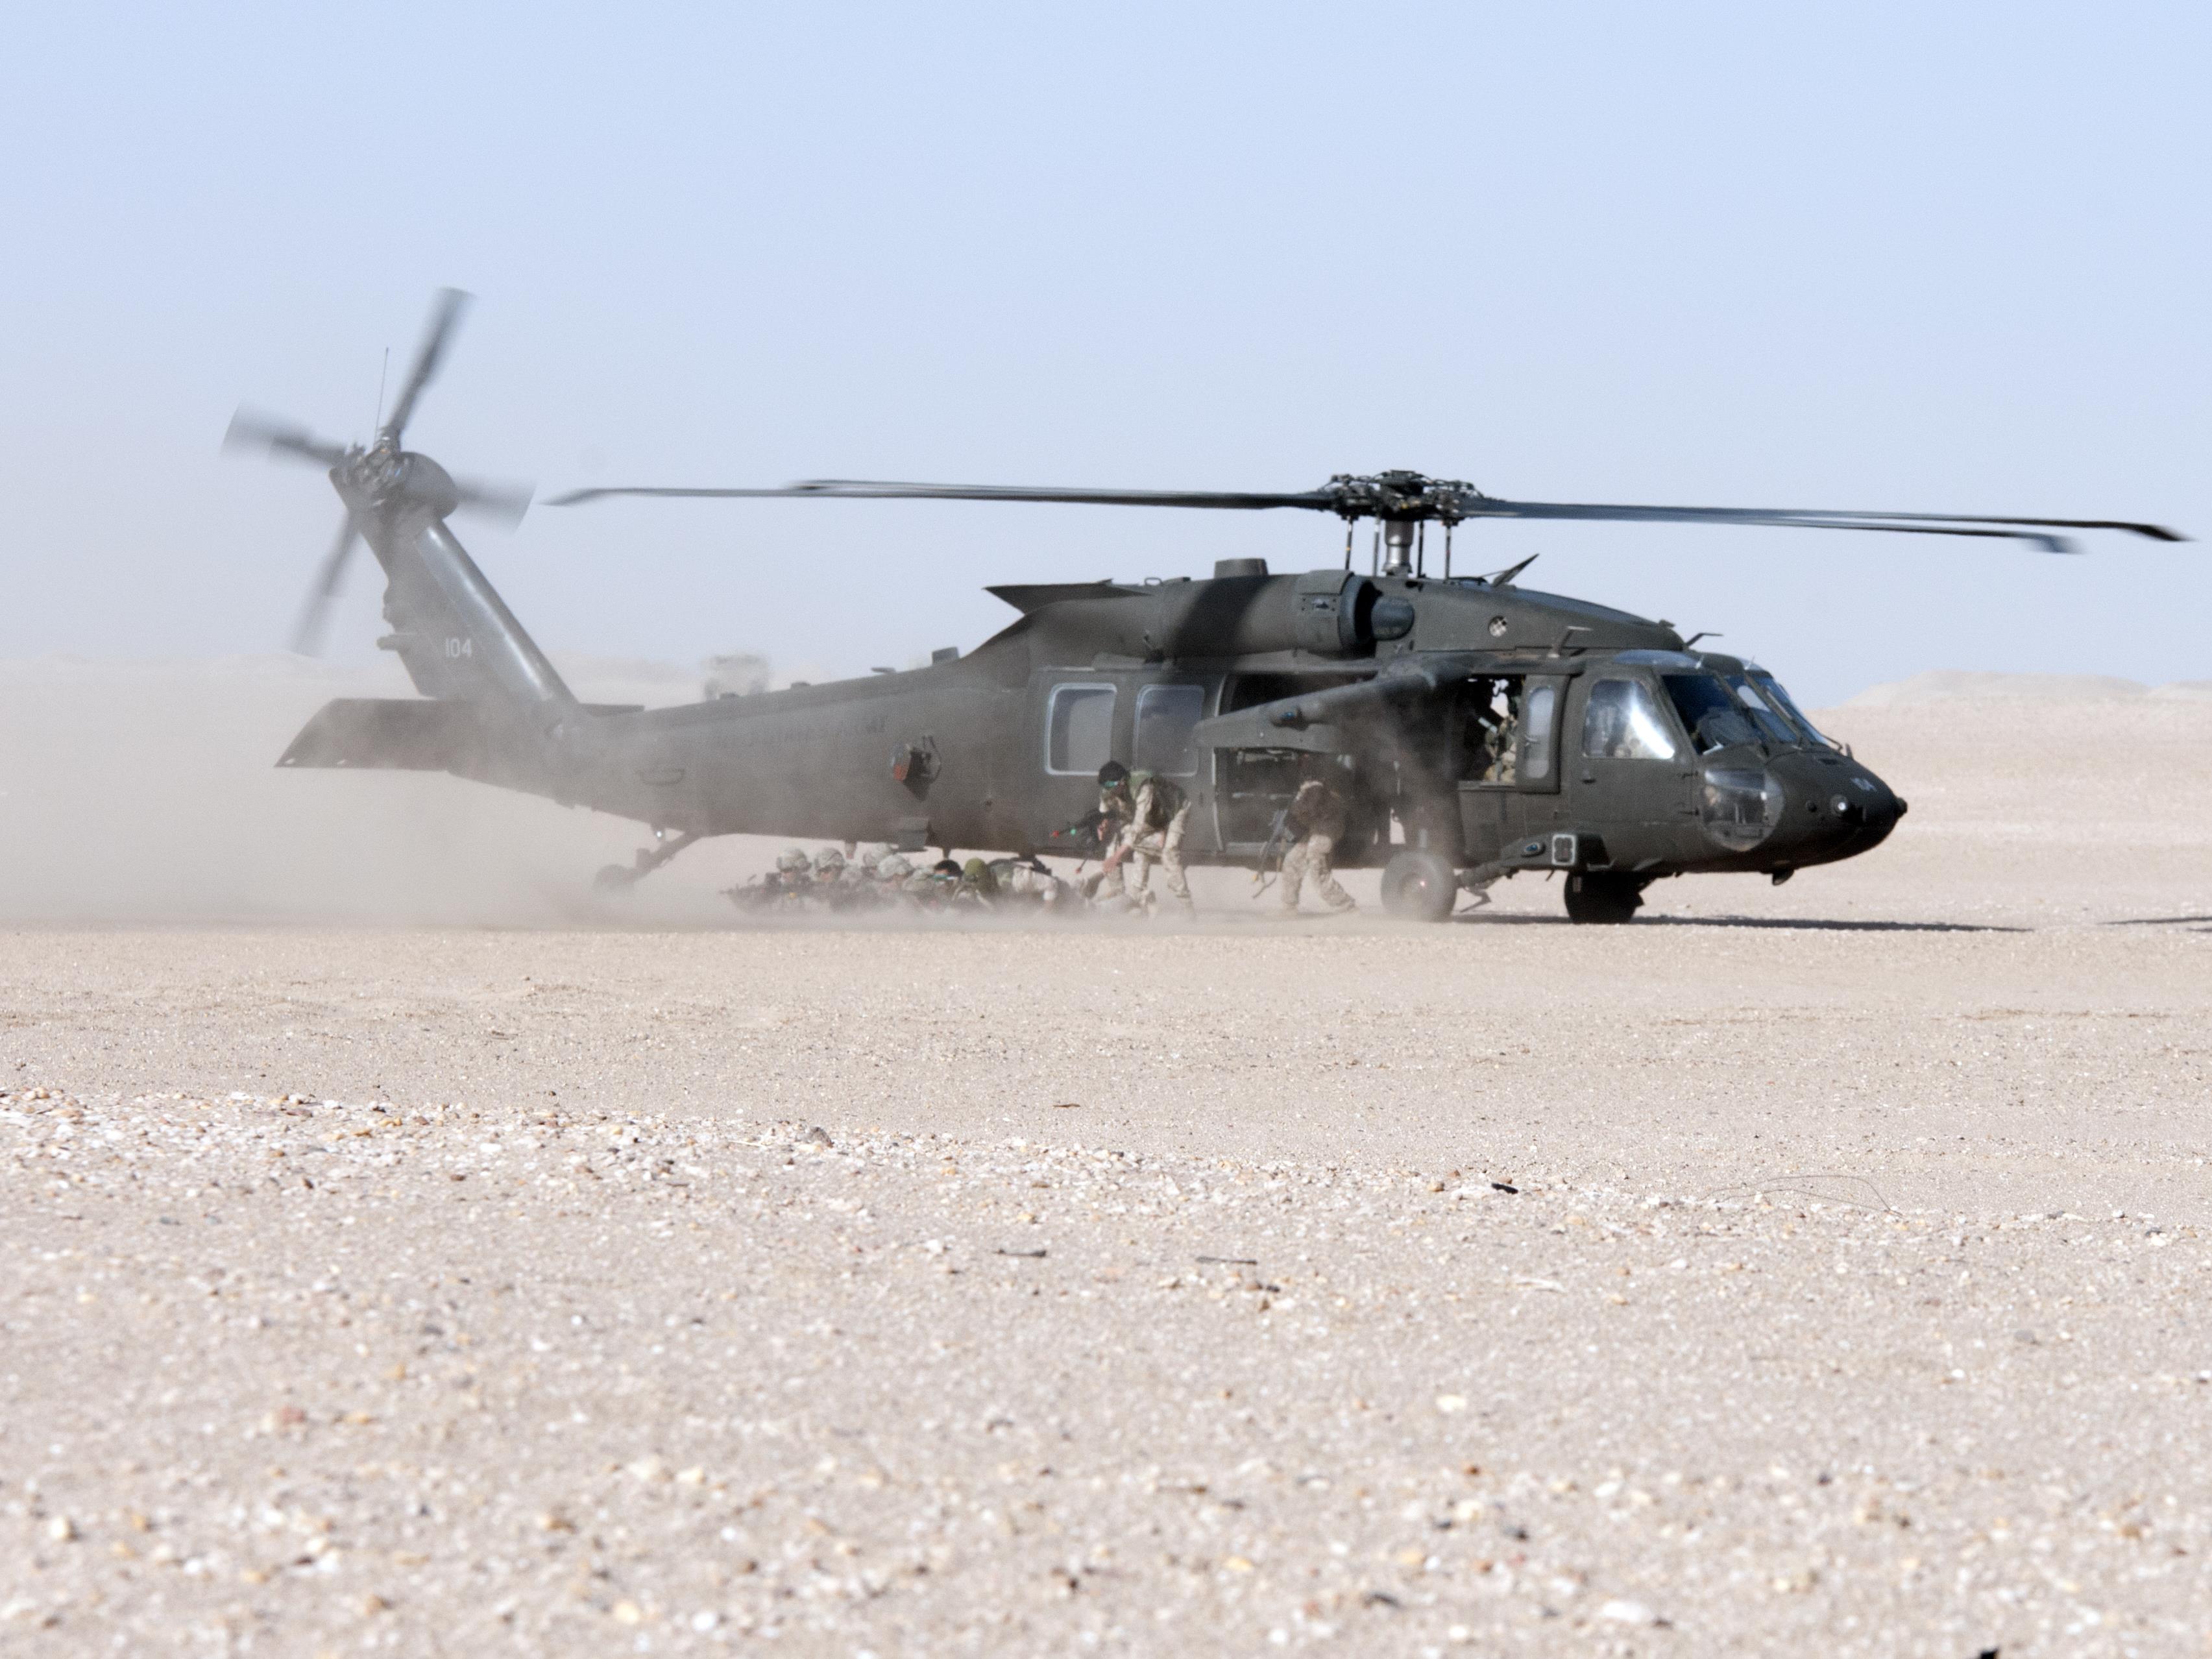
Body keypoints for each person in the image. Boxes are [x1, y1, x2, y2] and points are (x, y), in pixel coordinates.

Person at [1092, 760, 1196, 918]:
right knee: (1123, 840)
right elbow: (1104, 814)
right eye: (1106, 788)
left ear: (1122, 782)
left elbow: (1139, 828)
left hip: (1175, 811)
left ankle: (1187, 908)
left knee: (1169, 852)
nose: (1109, 792)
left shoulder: (1143, 788)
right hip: (1150, 817)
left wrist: (1116, 857)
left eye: (1112, 787)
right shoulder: (1109, 791)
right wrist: (1103, 825)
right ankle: (1129, 893)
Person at [1277, 774, 1357, 917]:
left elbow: (1311, 808)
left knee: (1317, 868)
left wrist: (1296, 805)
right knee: (1292, 862)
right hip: (1317, 829)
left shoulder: (1316, 788)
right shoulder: (1311, 788)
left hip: (1326, 829)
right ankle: (1289, 908)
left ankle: (1347, 908)